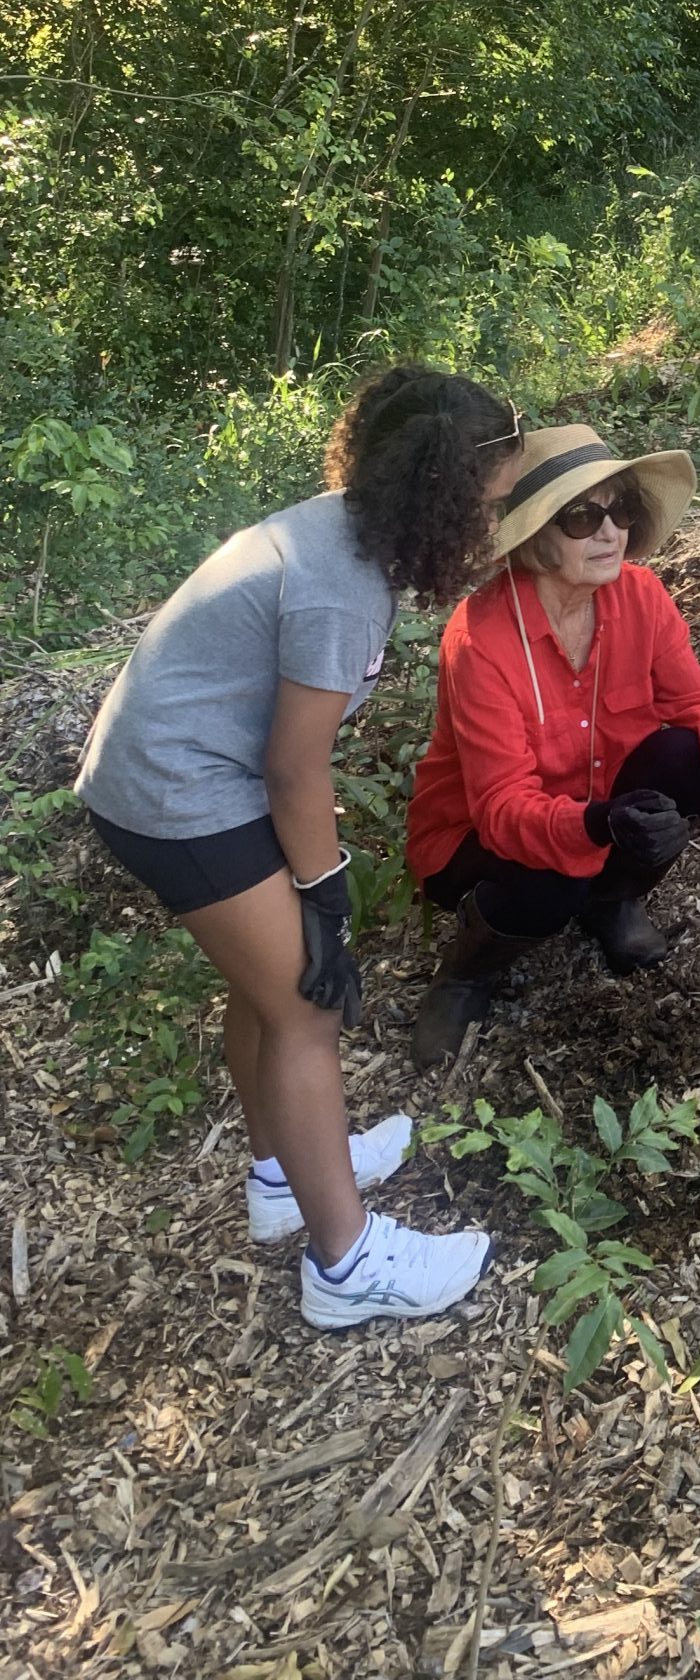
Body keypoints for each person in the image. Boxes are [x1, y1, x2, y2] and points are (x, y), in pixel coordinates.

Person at [74, 367, 521, 1330]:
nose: (496, 518)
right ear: (446, 493)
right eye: (494, 496)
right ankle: (346, 1264)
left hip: (173, 774)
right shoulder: (340, 589)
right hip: (180, 794)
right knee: (310, 1009)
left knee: (266, 989)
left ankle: (284, 1171)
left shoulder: (340, 523)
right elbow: (293, 769)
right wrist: (326, 896)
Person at [405, 426, 700, 1067]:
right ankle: (469, 970)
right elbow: (500, 810)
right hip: (476, 841)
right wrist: (599, 822)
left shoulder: (641, 596)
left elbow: (695, 707)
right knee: (544, 874)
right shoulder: (483, 639)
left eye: (621, 512)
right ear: (531, 534)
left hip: (597, 804)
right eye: (583, 516)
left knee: (684, 754)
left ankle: (612, 903)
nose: (610, 532)